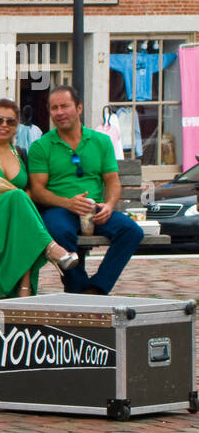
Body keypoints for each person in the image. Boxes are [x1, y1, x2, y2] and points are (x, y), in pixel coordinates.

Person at [28, 84, 143, 295]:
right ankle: (78, 288)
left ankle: (97, 289)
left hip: (95, 208)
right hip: (59, 209)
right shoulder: (41, 146)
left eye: (65, 106)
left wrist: (108, 205)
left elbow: (112, 181)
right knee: (60, 231)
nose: (59, 112)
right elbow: (37, 191)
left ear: (79, 108)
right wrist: (67, 202)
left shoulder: (101, 141)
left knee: (132, 231)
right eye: (54, 108)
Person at [0, 97, 78, 298]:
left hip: (13, 213)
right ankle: (52, 249)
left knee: (21, 216)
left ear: (17, 126)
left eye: (10, 121)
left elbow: (28, 193)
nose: (4, 125)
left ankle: (24, 289)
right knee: (16, 198)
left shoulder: (19, 153)